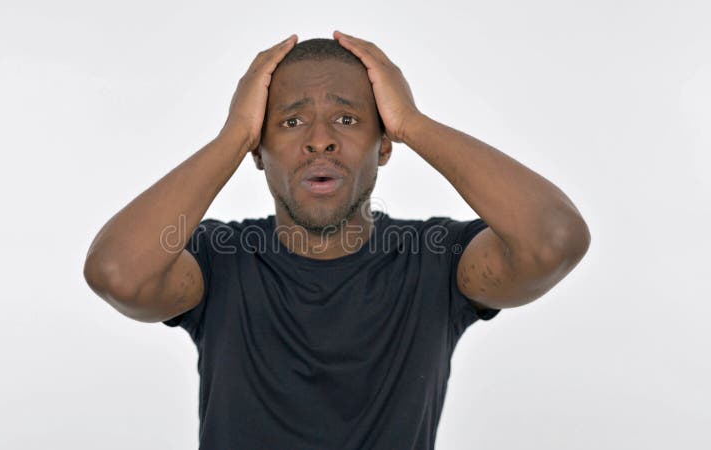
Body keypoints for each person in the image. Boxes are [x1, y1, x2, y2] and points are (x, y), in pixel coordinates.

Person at [83, 31, 591, 449]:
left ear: (384, 145)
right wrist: (233, 136)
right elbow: (117, 274)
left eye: (347, 120)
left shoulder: (435, 261)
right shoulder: (220, 261)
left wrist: (414, 123)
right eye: (292, 121)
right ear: (259, 151)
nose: (320, 139)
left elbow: (553, 240)